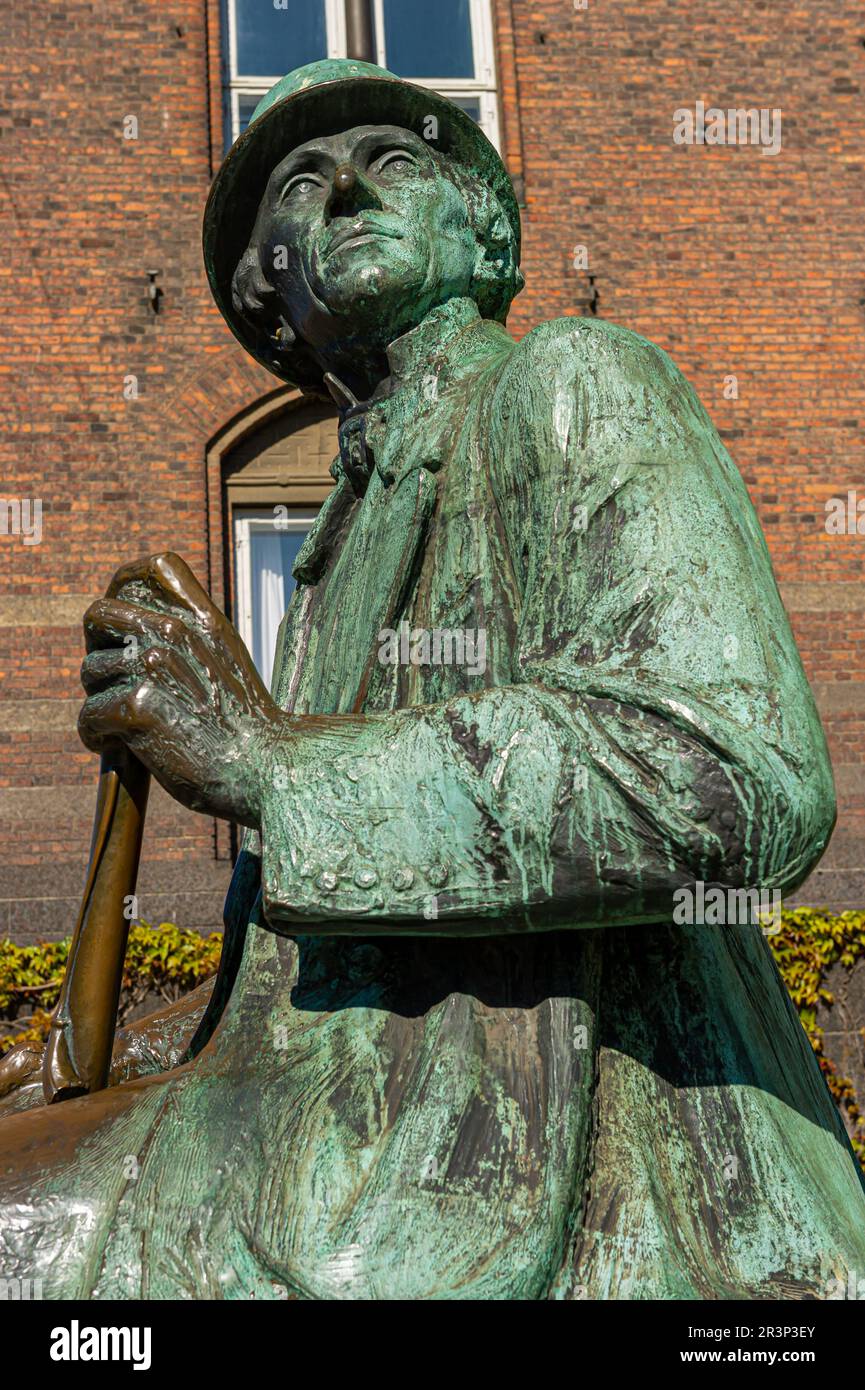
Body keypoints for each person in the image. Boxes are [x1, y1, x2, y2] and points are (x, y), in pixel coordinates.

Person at [0, 59, 862, 1300]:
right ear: (269, 299)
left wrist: (262, 759)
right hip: (340, 1151)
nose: (347, 183)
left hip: (532, 1186)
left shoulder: (575, 384)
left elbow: (741, 777)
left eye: (394, 161)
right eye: (299, 182)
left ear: (486, 228)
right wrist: (113, 1053)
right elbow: (315, 993)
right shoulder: (319, 569)